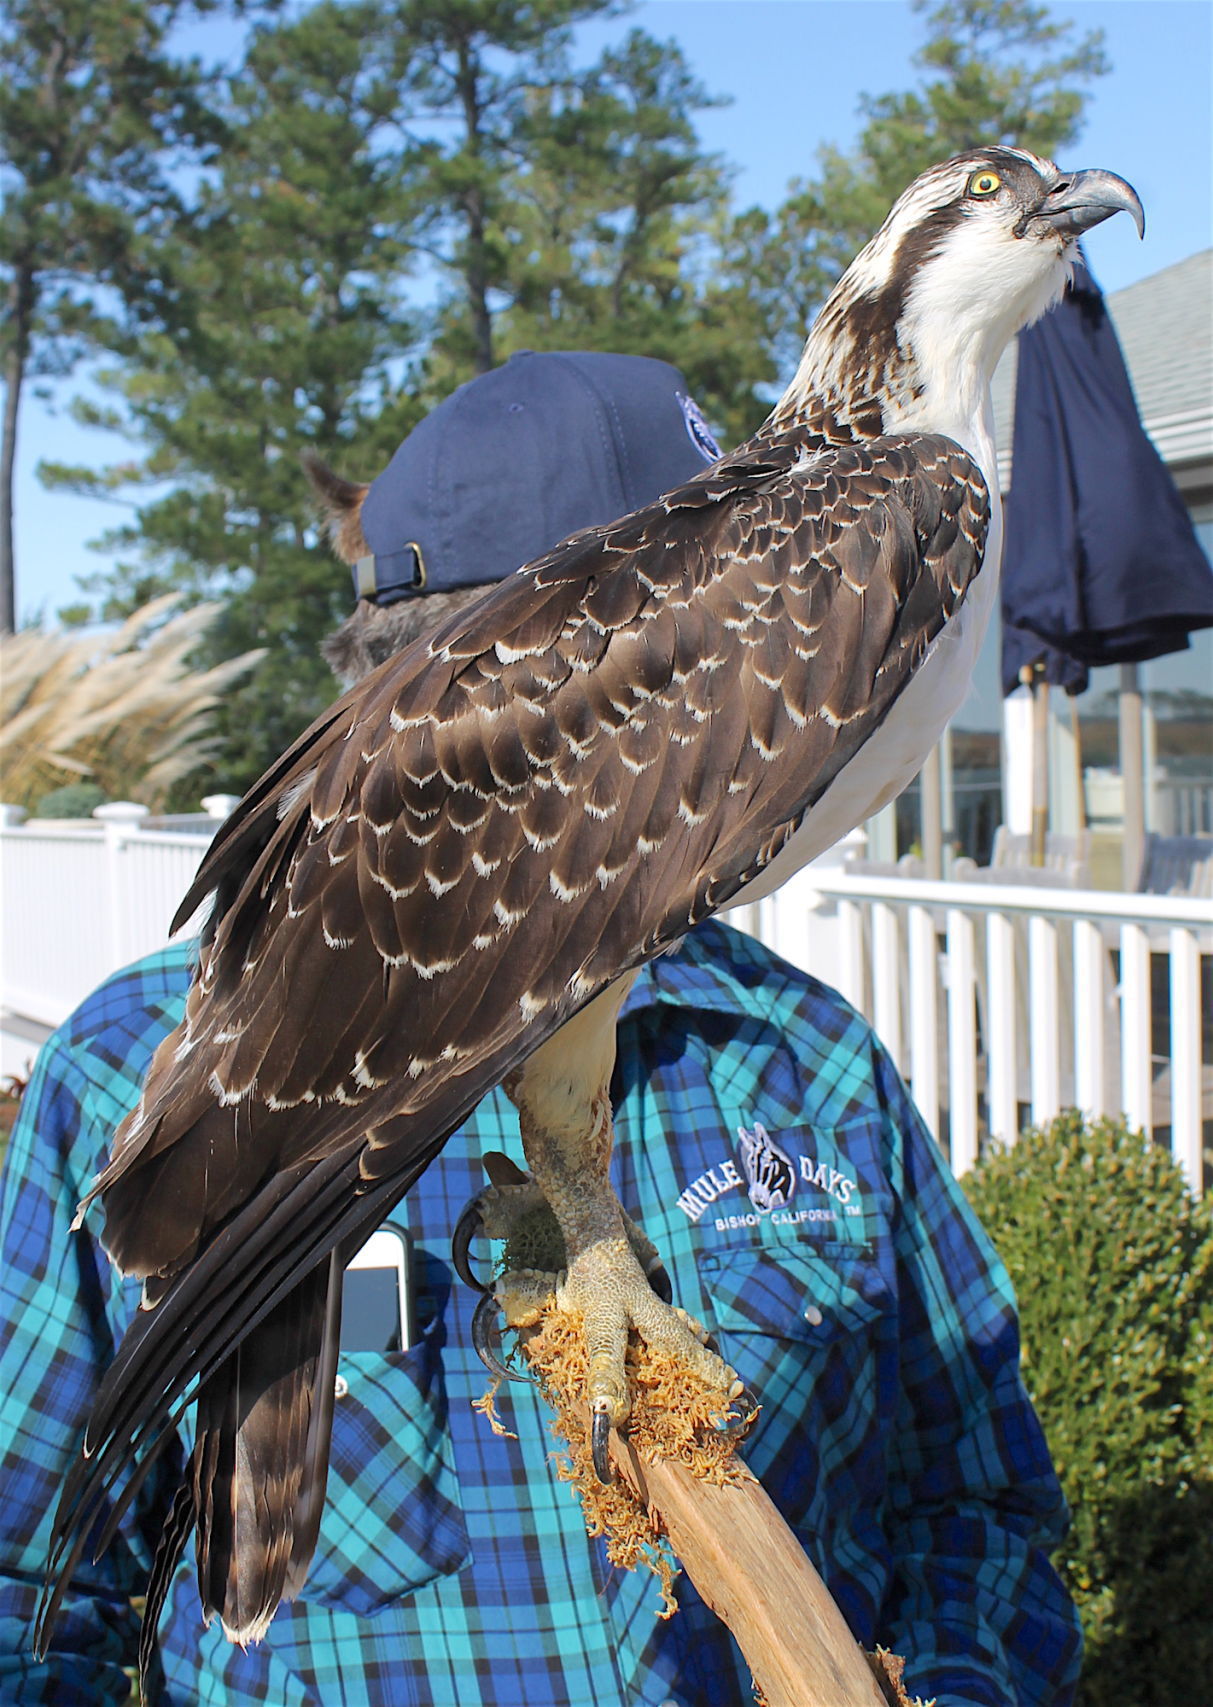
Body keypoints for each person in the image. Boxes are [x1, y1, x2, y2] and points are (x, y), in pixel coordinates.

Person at [0, 352, 1082, 1707]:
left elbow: (972, 1501)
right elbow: (33, 1597)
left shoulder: (799, 1057)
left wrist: (959, 1684)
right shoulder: (143, 1069)